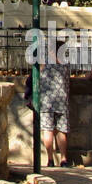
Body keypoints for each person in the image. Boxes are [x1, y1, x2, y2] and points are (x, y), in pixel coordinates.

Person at [33, 38, 73, 168]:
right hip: (62, 100)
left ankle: (50, 159)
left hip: (46, 101)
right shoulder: (65, 64)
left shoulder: (43, 64)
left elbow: (36, 78)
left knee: (47, 130)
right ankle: (63, 159)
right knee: (61, 130)